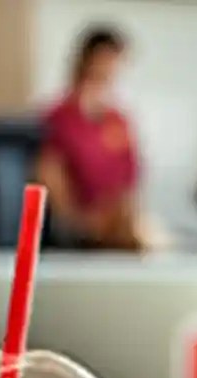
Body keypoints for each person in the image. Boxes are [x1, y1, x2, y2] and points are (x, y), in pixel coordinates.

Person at [37, 26, 143, 251]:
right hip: (75, 227)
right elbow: (48, 173)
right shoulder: (58, 118)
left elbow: (129, 181)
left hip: (114, 223)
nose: (110, 69)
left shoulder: (117, 121)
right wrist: (77, 220)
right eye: (105, 60)